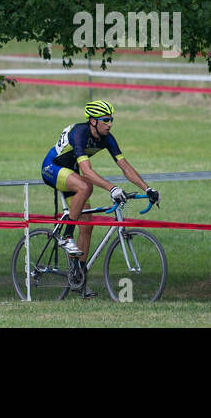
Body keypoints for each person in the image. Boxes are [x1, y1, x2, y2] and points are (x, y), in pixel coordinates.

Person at [40, 99, 160, 298]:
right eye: (105, 120)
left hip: (71, 173)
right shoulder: (79, 133)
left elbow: (125, 167)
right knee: (86, 186)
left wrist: (148, 188)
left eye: (111, 119)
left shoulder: (107, 138)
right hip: (52, 168)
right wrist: (111, 188)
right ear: (93, 121)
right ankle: (67, 237)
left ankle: (78, 278)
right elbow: (86, 171)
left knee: (87, 225)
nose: (110, 123)